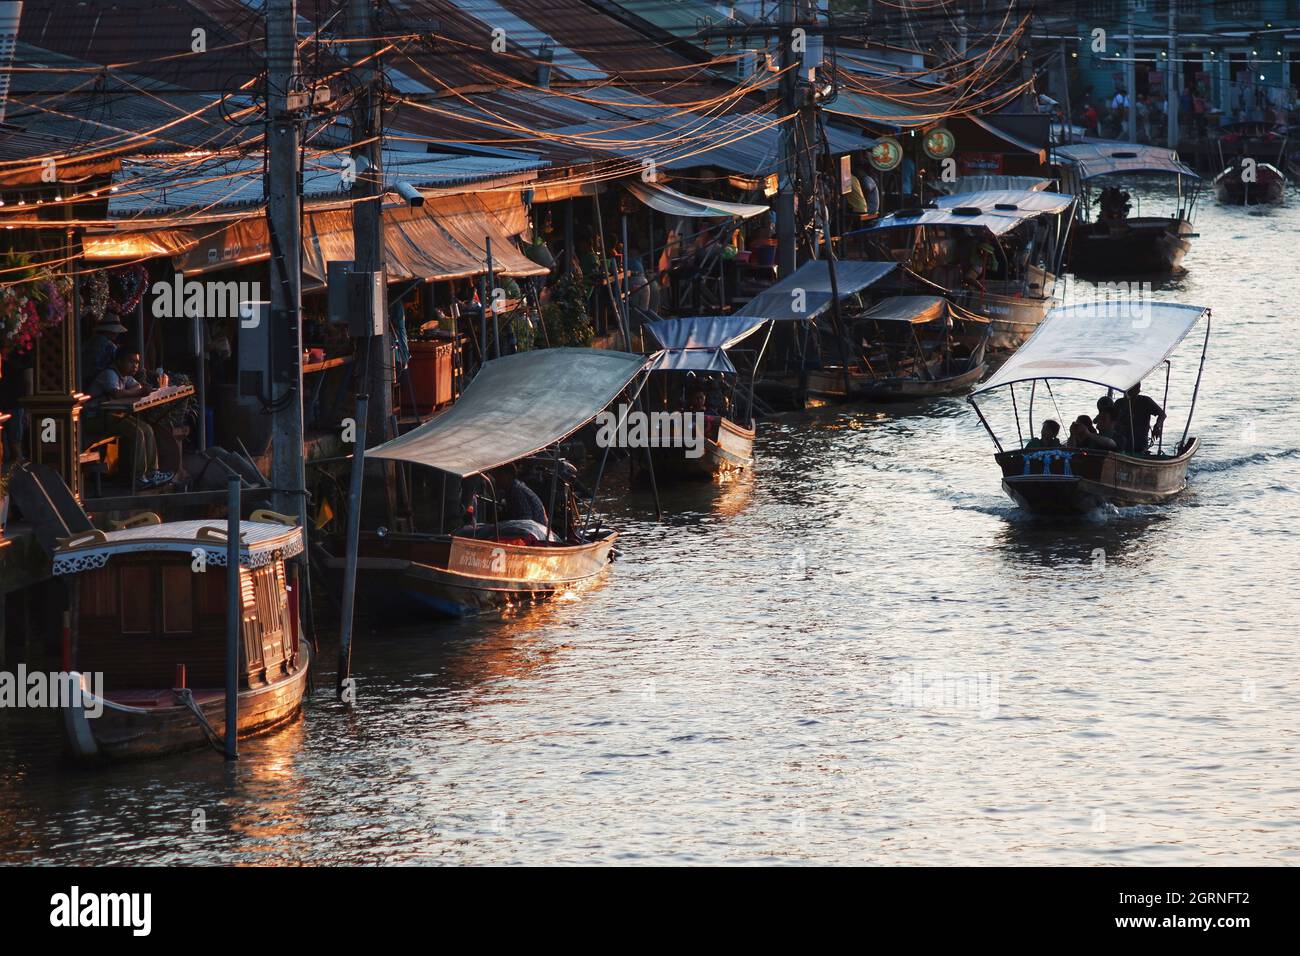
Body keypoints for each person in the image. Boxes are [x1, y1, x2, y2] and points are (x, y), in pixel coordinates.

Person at [86, 348, 173, 486]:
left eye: (137, 362)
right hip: (94, 418)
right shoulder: (110, 374)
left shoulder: (125, 376)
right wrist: (136, 391)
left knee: (147, 429)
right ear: (119, 361)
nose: (135, 366)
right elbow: (117, 394)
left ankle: (151, 473)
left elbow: (139, 387)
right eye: (131, 362)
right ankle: (138, 478)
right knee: (137, 432)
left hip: (111, 416)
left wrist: (136, 390)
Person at [1113, 382, 1166, 453]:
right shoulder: (1119, 403)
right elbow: (1112, 419)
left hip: (1139, 443)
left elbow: (1162, 414)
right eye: (1129, 390)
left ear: (1138, 391)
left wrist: (1157, 426)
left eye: (1134, 390)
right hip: (1120, 442)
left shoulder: (1145, 401)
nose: (1131, 393)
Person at [81, 319, 127, 389]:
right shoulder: (109, 345)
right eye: (115, 331)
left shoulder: (90, 342)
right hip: (99, 378)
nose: (117, 333)